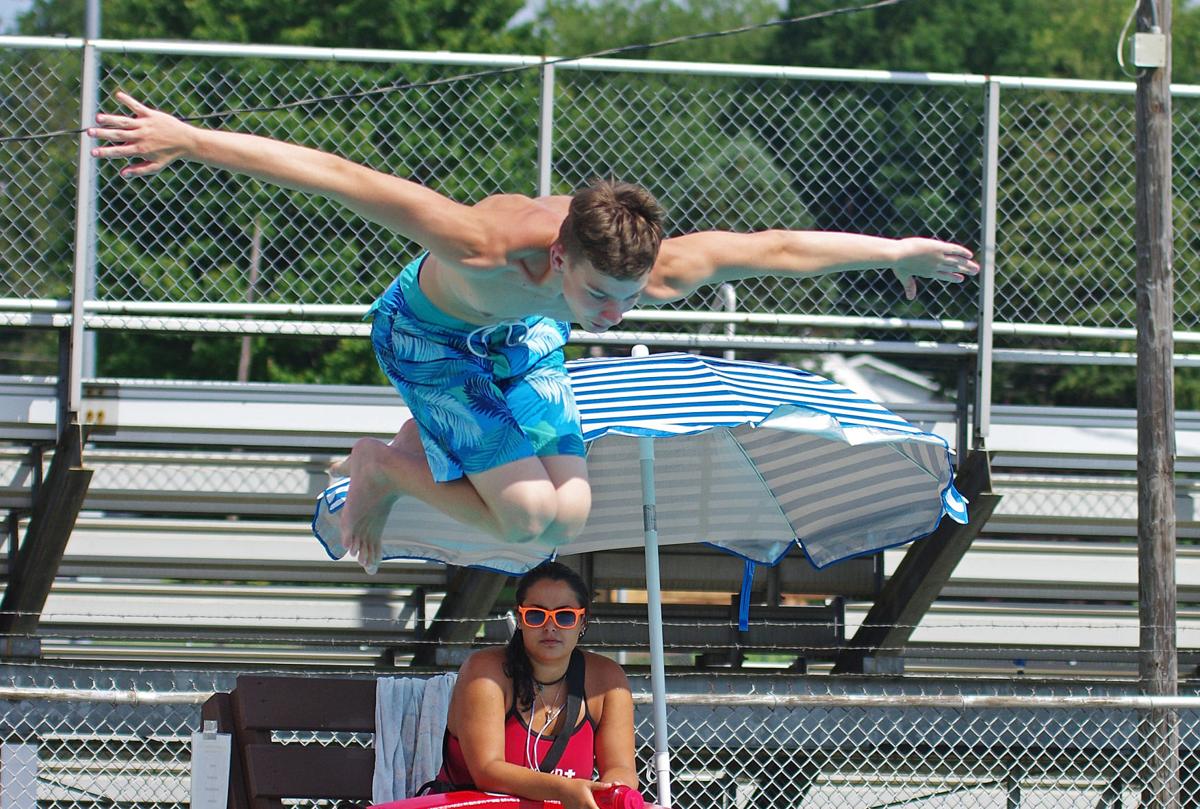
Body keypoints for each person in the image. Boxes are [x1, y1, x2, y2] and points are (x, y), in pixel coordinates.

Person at [88, 91, 980, 571]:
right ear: (557, 256)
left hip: (522, 342)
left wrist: (893, 248)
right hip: (432, 341)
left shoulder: (646, 266)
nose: (616, 317)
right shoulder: (477, 244)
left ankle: (419, 449)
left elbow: (776, 247)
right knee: (523, 522)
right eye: (600, 296)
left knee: (567, 519)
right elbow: (337, 173)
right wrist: (191, 139)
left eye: (628, 299)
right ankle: (386, 463)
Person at [425, 561, 635, 809]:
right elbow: (487, 770)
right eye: (536, 615)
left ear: (583, 622)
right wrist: (564, 789)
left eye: (565, 616)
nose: (550, 626)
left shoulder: (608, 680)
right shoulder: (484, 672)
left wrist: (610, 792)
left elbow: (621, 768)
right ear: (521, 618)